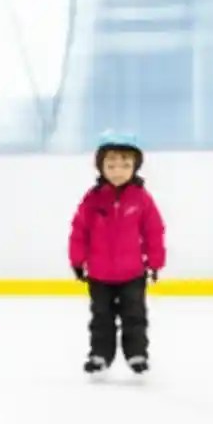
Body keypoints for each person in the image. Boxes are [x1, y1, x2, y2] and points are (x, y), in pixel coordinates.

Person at [69, 132, 166, 376]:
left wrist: (155, 262)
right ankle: (100, 354)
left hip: (133, 273)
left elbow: (154, 231)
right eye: (110, 165)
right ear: (101, 167)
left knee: (134, 315)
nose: (117, 171)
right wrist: (77, 260)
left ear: (135, 167)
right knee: (101, 317)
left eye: (125, 165)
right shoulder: (92, 200)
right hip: (99, 274)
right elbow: (79, 230)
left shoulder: (142, 199)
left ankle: (137, 353)